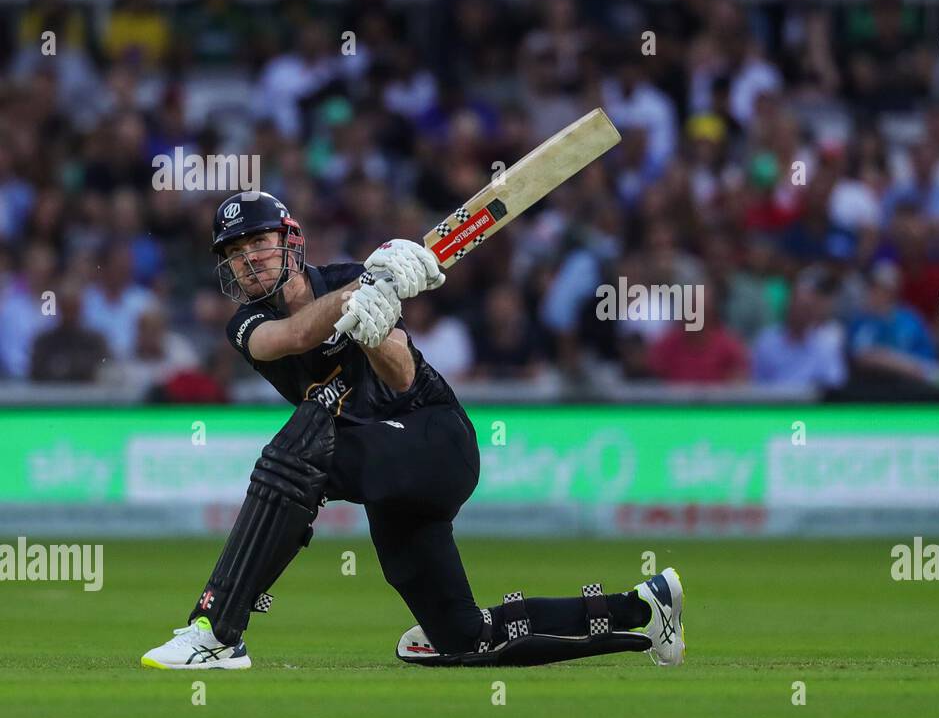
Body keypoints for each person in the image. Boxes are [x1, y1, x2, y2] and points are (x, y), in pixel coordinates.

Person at [141, 191, 684, 670]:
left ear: (290, 242)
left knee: (302, 444)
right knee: (466, 638)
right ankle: (646, 607)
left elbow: (401, 377)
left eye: (256, 243)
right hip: (387, 475)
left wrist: (376, 328)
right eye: (233, 254)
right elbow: (291, 337)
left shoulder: (349, 277)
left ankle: (217, 631)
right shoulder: (249, 322)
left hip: (436, 441)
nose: (246, 261)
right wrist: (362, 293)